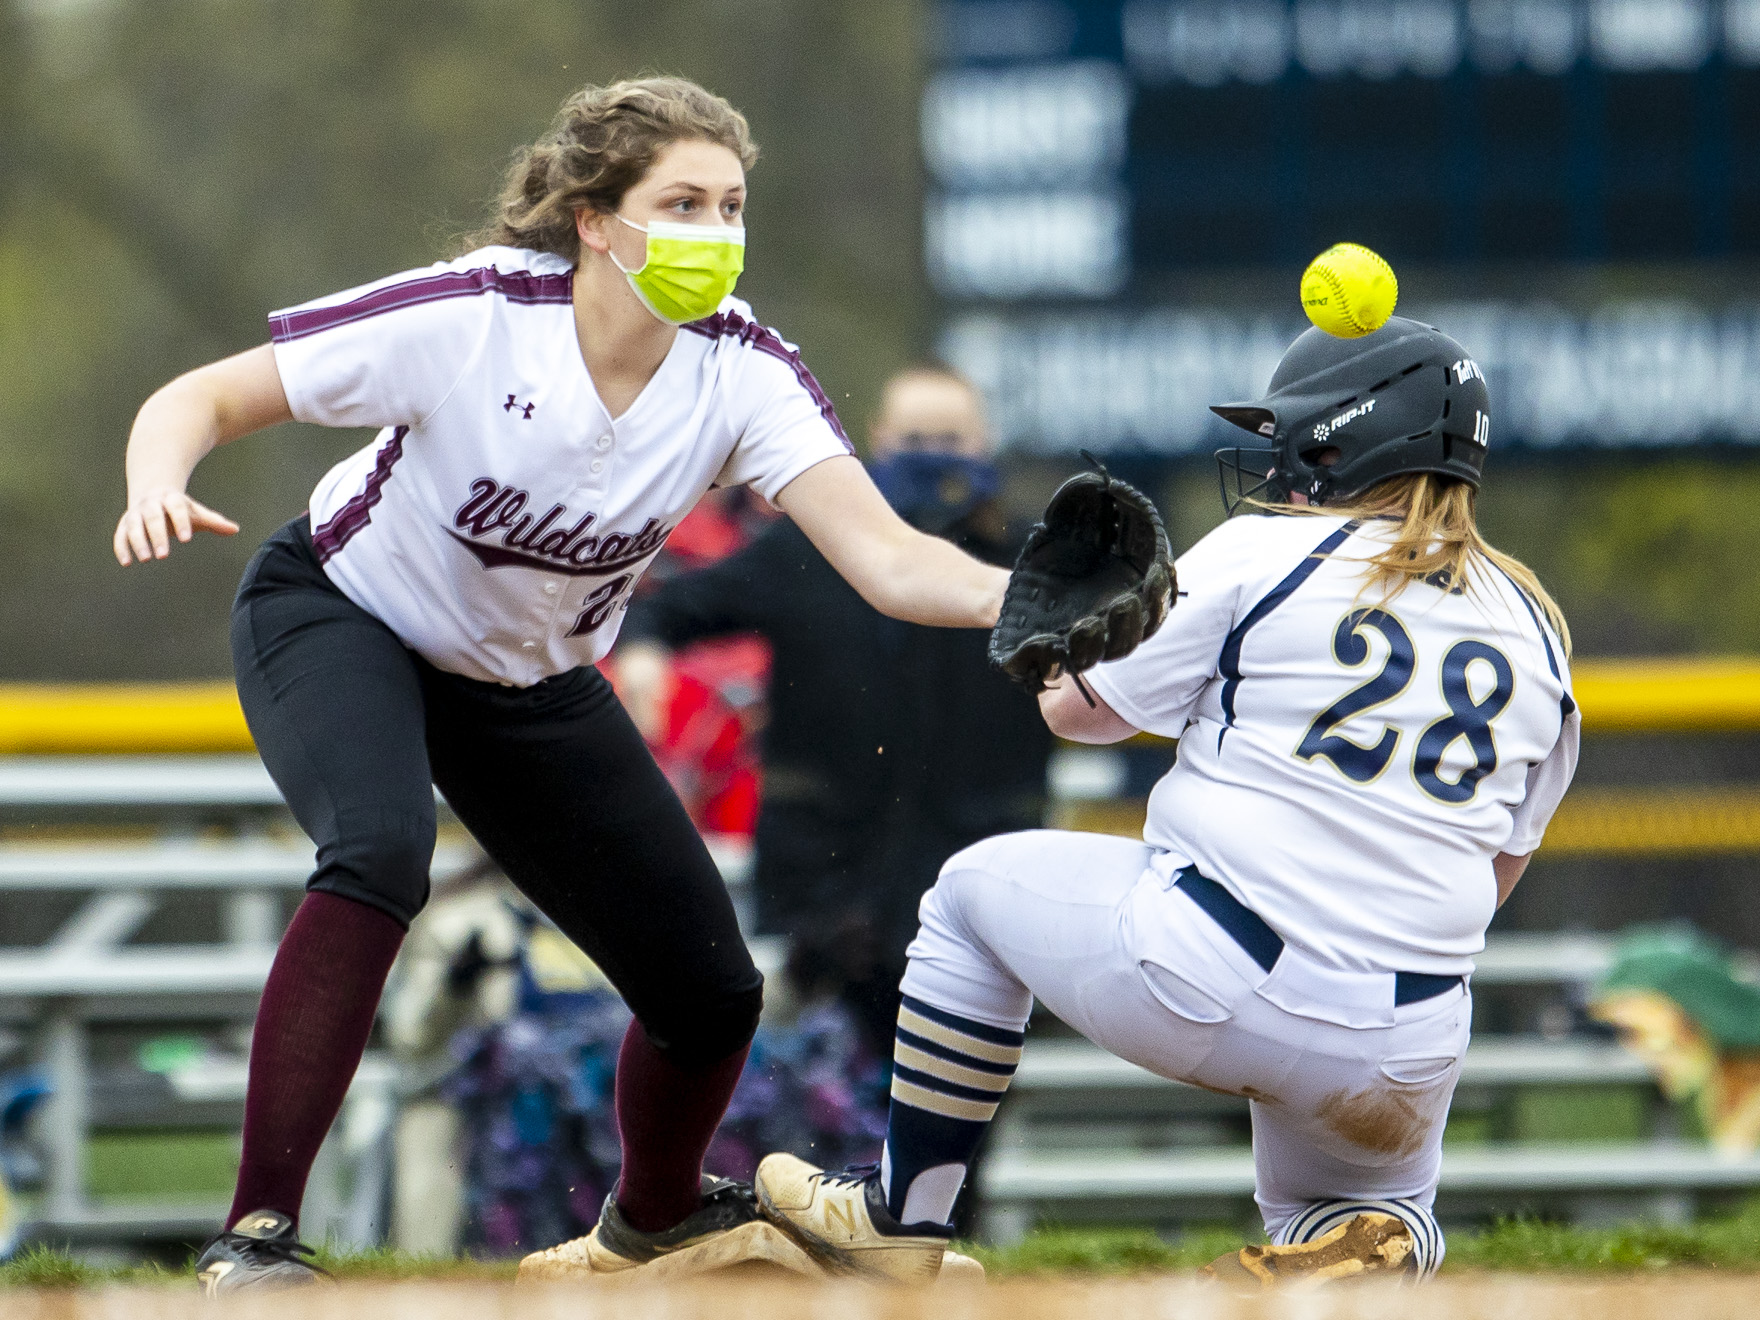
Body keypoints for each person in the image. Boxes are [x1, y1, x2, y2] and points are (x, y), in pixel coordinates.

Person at [110, 76, 1009, 1292]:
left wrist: (1028, 597)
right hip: (342, 615)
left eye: (731, 205)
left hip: (522, 681)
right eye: (679, 202)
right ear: (593, 218)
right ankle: (255, 1240)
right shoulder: (477, 316)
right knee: (379, 853)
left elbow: (891, 560)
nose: (713, 233)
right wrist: (156, 480)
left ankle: (649, 1228)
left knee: (707, 987)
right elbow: (202, 395)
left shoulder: (740, 370)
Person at [752, 317, 1581, 1285]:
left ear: (1341, 441)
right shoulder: (1533, 623)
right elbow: (1499, 863)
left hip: (1210, 971)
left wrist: (1058, 633)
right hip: (1409, 1035)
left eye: (1293, 439)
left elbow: (1077, 715)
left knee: (966, 893)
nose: (1276, 461)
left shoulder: (1264, 551)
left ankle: (899, 1219)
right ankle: (1387, 1232)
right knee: (1353, 1217)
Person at [615, 363, 1053, 1052]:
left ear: (984, 441)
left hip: (977, 862)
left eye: (949, 436)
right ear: (878, 439)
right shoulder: (809, 546)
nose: (931, 453)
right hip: (827, 875)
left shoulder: (1036, 558)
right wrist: (643, 653)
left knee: (964, 1088)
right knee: (826, 1085)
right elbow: (668, 610)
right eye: (914, 436)